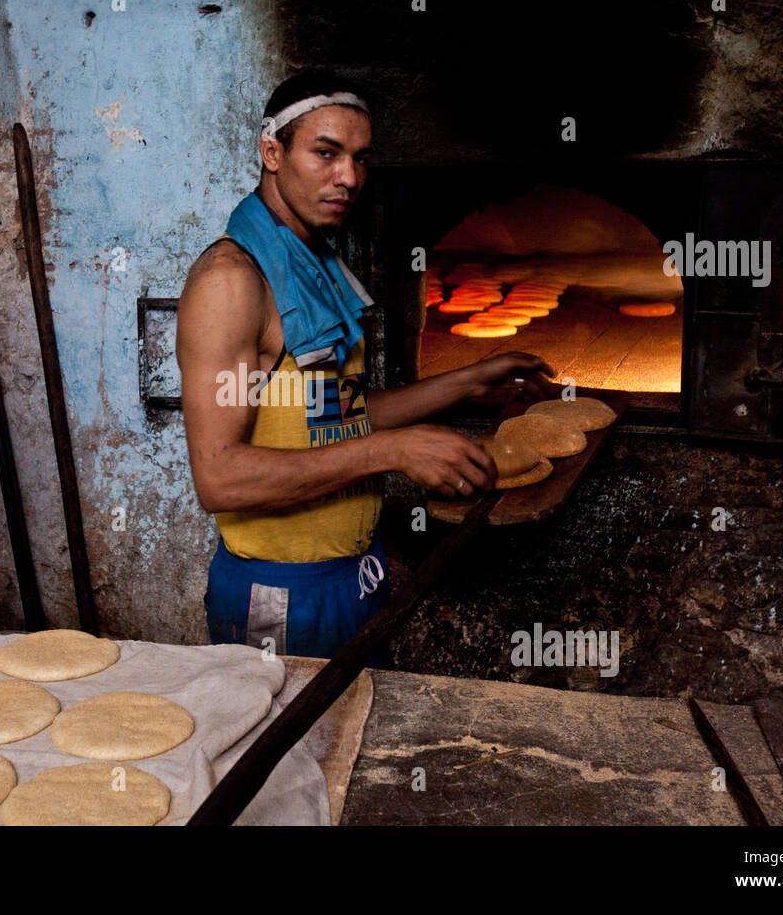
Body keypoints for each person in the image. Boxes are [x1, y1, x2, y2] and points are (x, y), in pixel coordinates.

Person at [177, 70, 556, 664]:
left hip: (354, 578)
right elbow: (219, 476)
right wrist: (396, 451)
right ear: (271, 152)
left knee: (353, 750)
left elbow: (334, 416)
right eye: (325, 153)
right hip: (282, 593)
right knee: (284, 756)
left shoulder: (311, 267)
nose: (348, 177)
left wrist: (471, 377)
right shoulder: (231, 282)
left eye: (359, 158)